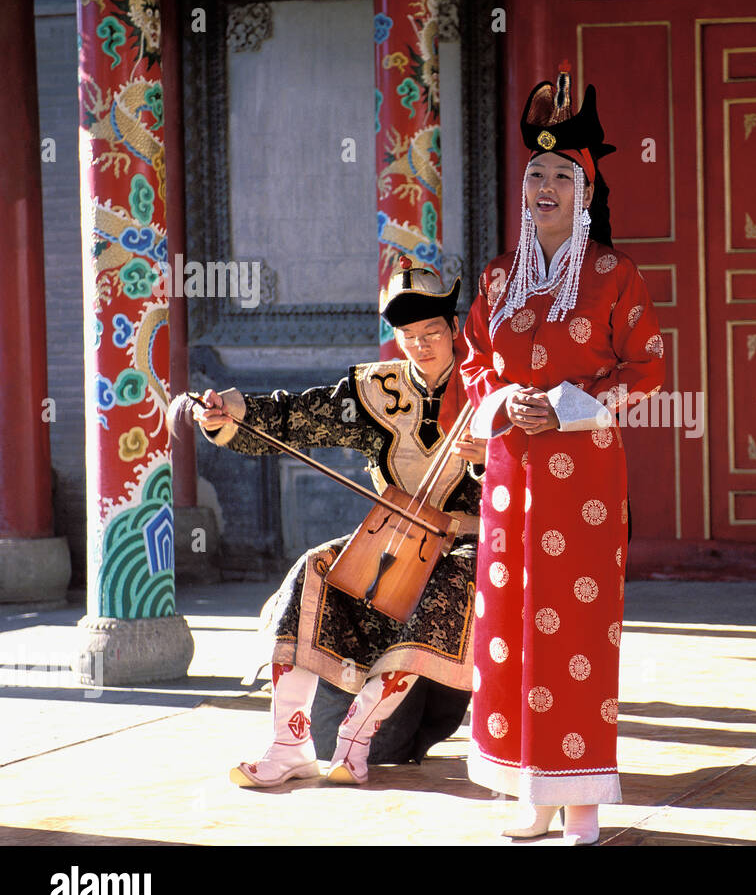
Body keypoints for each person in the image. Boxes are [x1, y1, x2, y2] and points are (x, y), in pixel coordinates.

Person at [173, 263, 484, 787]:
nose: (421, 346)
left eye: (432, 332)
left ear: (454, 330)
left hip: (468, 543)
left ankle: (355, 739)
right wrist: (233, 411)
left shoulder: (489, 387)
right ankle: (289, 742)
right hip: (391, 541)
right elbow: (297, 414)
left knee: (451, 584)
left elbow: (531, 471)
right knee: (311, 568)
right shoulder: (374, 391)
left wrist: (487, 461)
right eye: (409, 336)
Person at [460, 68, 665, 844]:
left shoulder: (618, 277)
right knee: (509, 627)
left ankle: (582, 799)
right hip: (511, 478)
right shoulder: (499, 278)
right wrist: (502, 400)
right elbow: (476, 356)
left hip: (583, 481)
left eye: (562, 176)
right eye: (536, 174)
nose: (546, 186)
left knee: (576, 631)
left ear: (586, 192)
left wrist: (570, 407)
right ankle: (530, 788)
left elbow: (647, 368)